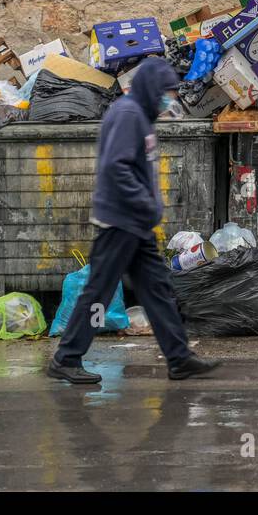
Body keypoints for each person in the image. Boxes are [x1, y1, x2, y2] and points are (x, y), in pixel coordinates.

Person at [47, 56, 219, 384]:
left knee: (157, 290)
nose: (170, 98)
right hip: (119, 221)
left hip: (136, 224)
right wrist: (144, 202)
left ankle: (179, 358)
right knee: (97, 292)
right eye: (166, 92)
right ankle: (66, 358)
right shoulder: (128, 115)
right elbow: (117, 167)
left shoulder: (140, 115)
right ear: (150, 88)